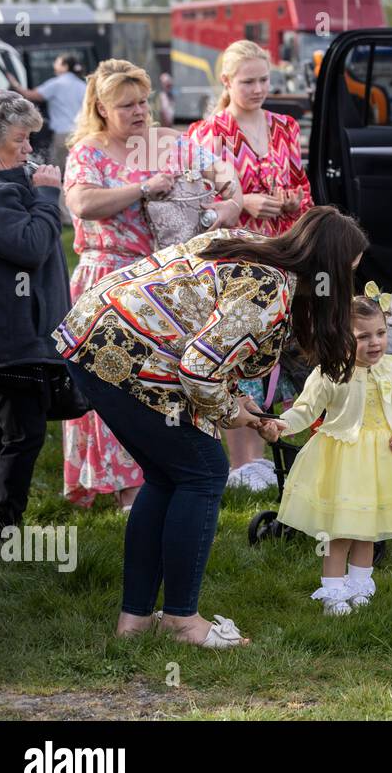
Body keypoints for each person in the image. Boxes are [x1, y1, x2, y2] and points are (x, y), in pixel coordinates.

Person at [53, 207, 369, 647]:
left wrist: (235, 396)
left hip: (96, 333)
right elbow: (199, 369)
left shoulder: (254, 246)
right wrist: (228, 412)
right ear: (329, 269)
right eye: (347, 273)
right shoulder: (269, 290)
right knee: (203, 472)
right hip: (123, 352)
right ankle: (183, 621)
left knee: (167, 477)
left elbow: (209, 332)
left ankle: (135, 622)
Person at [62, 59, 242, 511]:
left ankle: (164, 476)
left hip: (157, 285)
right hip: (105, 279)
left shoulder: (167, 144)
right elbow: (82, 204)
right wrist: (143, 189)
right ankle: (124, 489)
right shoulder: (88, 151)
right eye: (127, 106)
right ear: (102, 108)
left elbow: (224, 172)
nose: (140, 112)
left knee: (157, 382)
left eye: (143, 101)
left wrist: (228, 203)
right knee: (113, 379)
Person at [258, 291, 392, 615]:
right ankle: (334, 591)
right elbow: (305, 411)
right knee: (341, 531)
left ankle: (361, 585)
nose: (375, 342)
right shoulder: (330, 373)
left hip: (384, 460)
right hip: (344, 459)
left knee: (368, 528)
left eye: (381, 333)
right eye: (364, 336)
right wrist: (279, 424)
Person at [187, 40, 313, 492]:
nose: (259, 88)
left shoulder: (285, 124)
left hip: (286, 247)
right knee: (240, 349)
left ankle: (295, 447)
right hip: (238, 254)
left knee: (289, 347)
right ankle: (245, 464)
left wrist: (296, 200)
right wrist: (244, 203)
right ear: (226, 82)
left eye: (264, 80)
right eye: (249, 81)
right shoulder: (208, 133)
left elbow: (302, 184)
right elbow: (198, 204)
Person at [0, 90, 69, 530]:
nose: (30, 148)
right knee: (23, 436)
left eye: (32, 138)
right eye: (21, 139)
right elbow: (30, 248)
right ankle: (5, 527)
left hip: (1, 340)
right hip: (12, 340)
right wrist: (48, 197)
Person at [9, 55, 86, 170]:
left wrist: (15, 84)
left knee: (57, 170)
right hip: (81, 134)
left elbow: (31, 95)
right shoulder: (82, 85)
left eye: (57, 62)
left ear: (65, 66)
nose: (54, 65)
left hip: (62, 135)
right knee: (78, 168)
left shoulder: (57, 84)